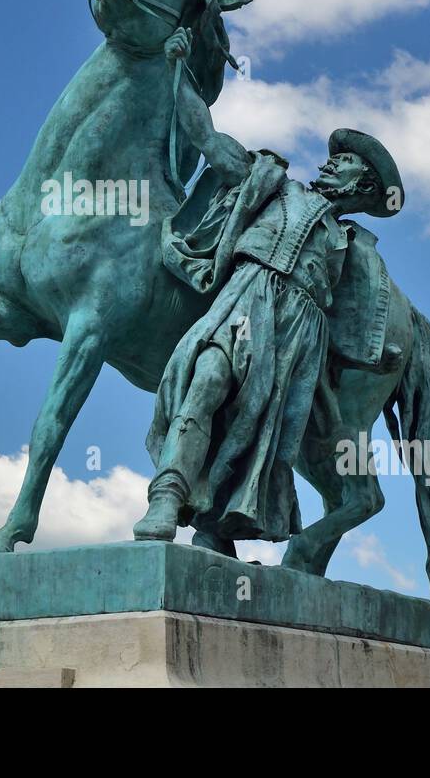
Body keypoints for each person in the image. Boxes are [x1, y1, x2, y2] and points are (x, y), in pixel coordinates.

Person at [132, 28, 404, 551]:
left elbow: (359, 323)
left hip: (300, 327)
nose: (331, 162)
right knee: (207, 376)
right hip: (247, 293)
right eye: (333, 158)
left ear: (363, 186)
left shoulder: (352, 247)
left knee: (255, 427)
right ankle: (166, 496)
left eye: (345, 162)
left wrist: (374, 357)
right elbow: (208, 140)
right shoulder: (271, 181)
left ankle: (215, 527)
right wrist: (179, 74)